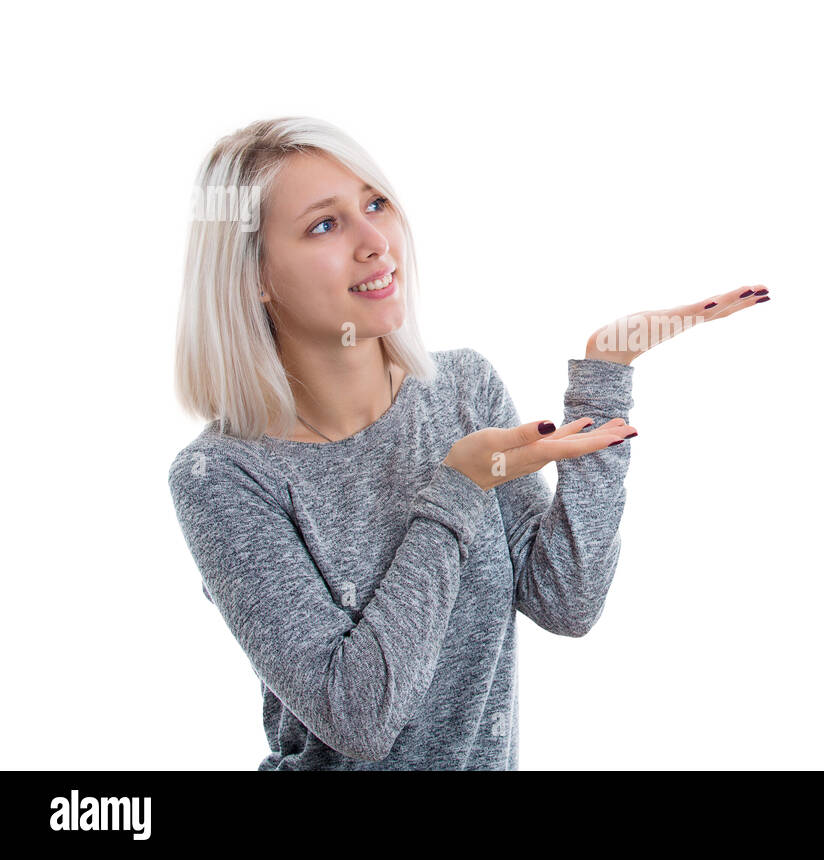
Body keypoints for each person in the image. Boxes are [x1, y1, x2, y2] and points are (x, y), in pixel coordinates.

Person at [167, 115, 771, 769]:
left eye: (375, 203)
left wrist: (605, 380)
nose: (375, 242)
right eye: (324, 224)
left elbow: (565, 600)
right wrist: (457, 488)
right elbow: (360, 717)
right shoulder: (224, 476)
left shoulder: (462, 390)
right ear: (254, 275)